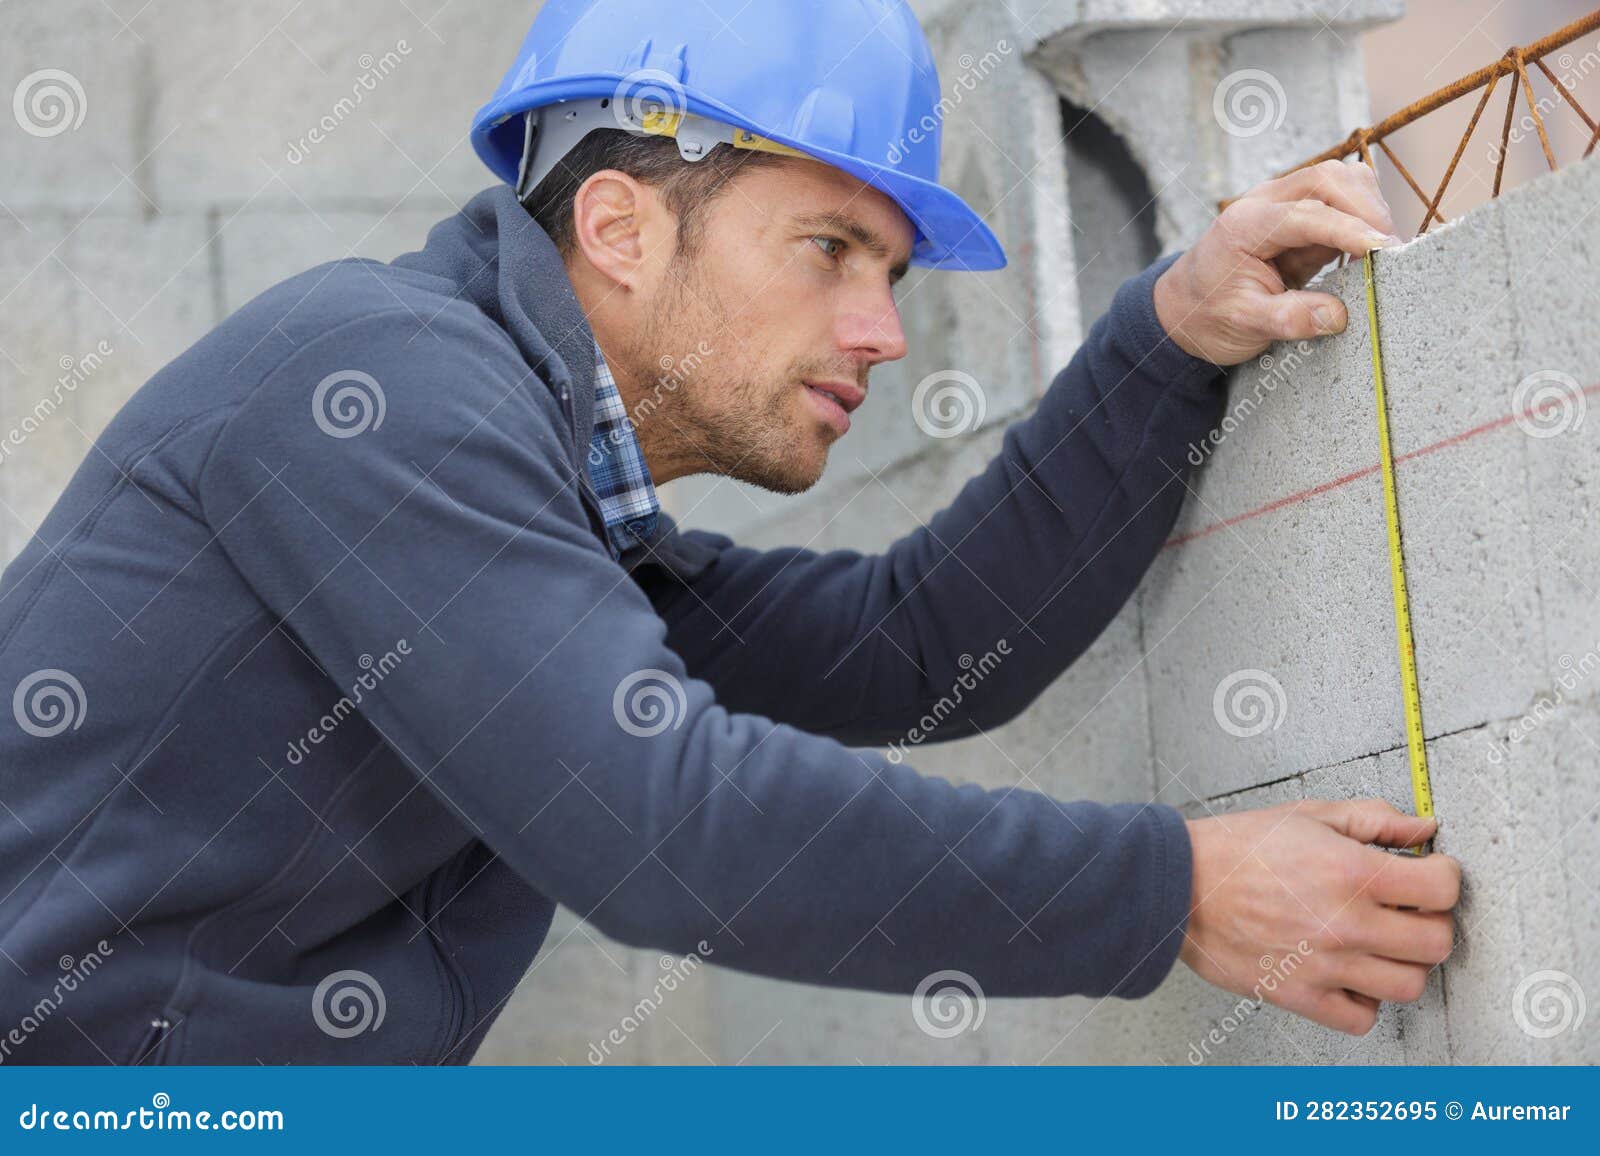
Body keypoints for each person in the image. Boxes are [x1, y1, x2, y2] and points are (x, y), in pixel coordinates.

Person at [0, 0, 1457, 1064]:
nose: (882, 331)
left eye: (888, 272)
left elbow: (912, 647)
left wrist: (1167, 336)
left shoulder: (538, 490)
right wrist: (1181, 892)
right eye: (830, 250)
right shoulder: (376, 385)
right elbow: (666, 830)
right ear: (623, 229)